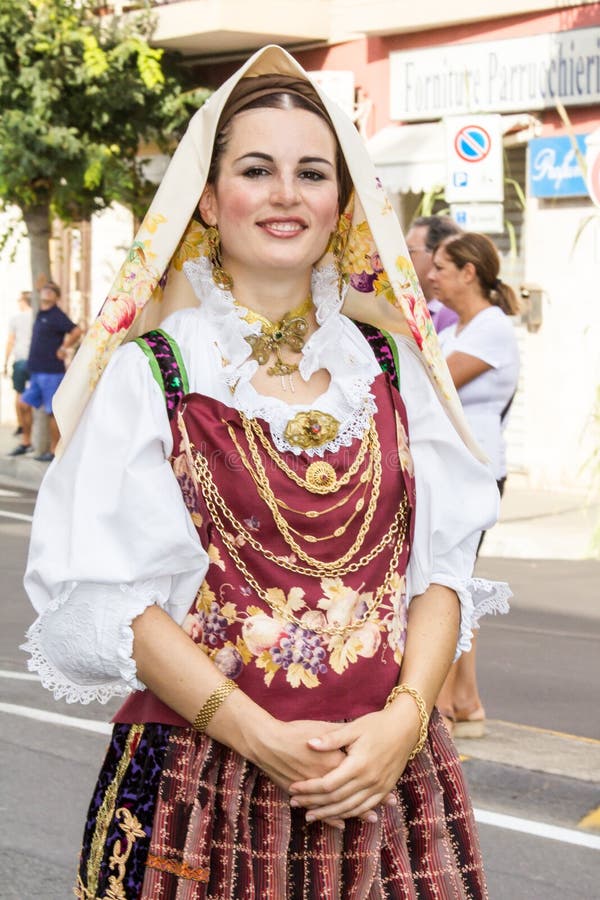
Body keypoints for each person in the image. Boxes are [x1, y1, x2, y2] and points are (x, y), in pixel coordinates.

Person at [22, 47, 511, 898]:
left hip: (385, 778)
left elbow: (440, 566)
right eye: (258, 168)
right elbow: (110, 594)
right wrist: (261, 737)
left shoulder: (394, 366)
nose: (287, 193)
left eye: (311, 172)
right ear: (210, 199)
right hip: (202, 787)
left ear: (341, 202)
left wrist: (403, 722)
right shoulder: (154, 374)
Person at [428, 231, 520, 738]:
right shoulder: (457, 329)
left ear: (470, 272)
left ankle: (442, 705)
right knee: (454, 576)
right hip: (453, 471)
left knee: (446, 581)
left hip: (476, 473)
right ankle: (465, 702)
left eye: (442, 266)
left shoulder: (491, 328)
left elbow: (436, 382)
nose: (432, 275)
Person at [11, 281, 82, 462]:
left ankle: (53, 451)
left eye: (52, 291)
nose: (48, 292)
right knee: (23, 405)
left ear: (57, 296)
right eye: (46, 289)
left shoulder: (56, 315)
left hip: (51, 372)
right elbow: (39, 285)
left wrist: (64, 347)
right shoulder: (41, 313)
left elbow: (76, 331)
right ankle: (26, 442)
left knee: (52, 412)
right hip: (36, 371)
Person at [405, 215, 460, 332]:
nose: (402, 259)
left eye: (409, 251)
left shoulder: (457, 316)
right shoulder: (405, 309)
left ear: (438, 255)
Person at [3, 290, 32, 440]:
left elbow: (10, 341)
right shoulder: (37, 317)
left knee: (19, 394)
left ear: (23, 301)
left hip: (20, 360)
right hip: (34, 361)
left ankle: (22, 427)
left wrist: (6, 362)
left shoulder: (16, 319)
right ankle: (30, 430)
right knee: (32, 395)